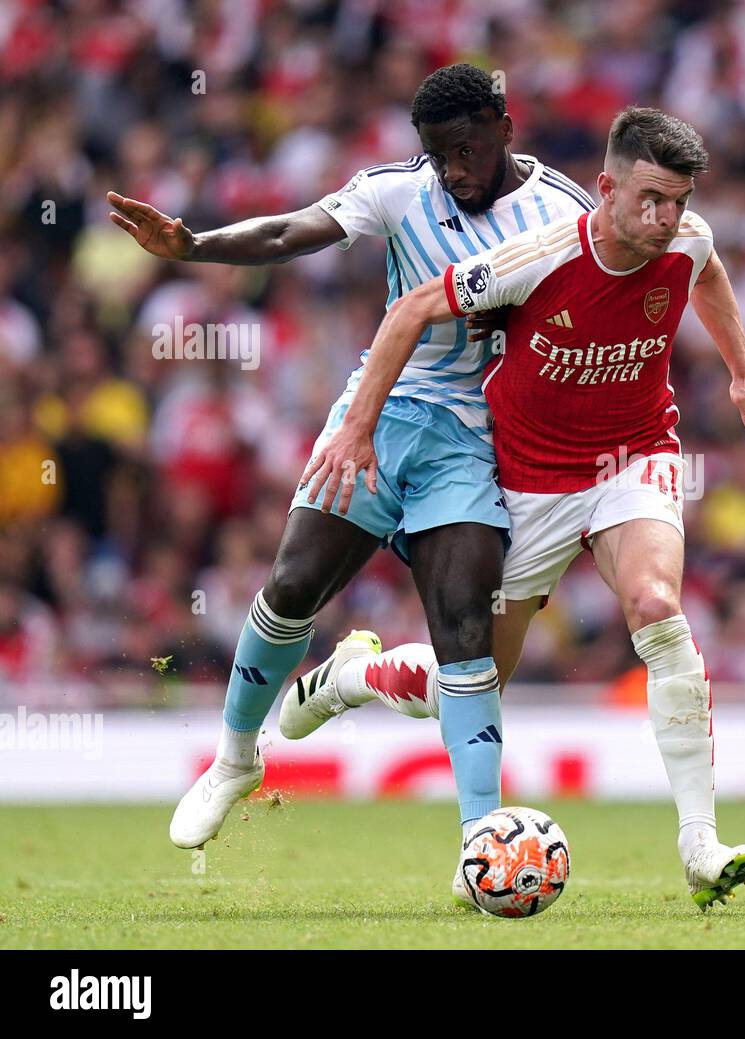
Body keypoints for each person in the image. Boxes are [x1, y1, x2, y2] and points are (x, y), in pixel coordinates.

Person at [288, 107, 745, 910]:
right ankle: (357, 674)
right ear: (606, 188)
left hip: (634, 458)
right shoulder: (538, 257)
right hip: (531, 480)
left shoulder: (688, 237)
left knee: (657, 606)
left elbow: (711, 273)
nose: (667, 219)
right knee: (476, 676)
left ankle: (700, 842)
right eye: (651, 199)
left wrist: (743, 372)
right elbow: (412, 309)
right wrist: (356, 427)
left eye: (679, 200)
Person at [108, 63, 594, 851]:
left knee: (465, 623)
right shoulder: (399, 190)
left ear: (506, 128)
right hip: (381, 412)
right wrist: (194, 246)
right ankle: (235, 757)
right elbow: (286, 231)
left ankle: (482, 840)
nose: (454, 171)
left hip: (473, 440)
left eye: (467, 150)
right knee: (294, 582)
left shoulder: (564, 211)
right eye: (440, 156)